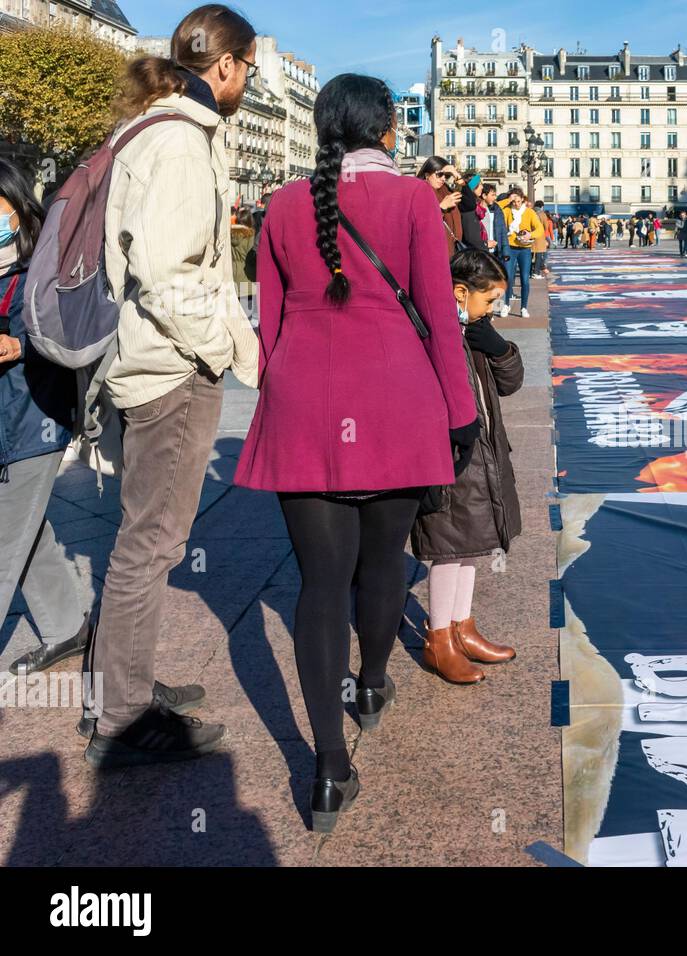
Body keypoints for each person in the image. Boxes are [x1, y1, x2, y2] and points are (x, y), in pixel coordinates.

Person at [234, 73, 479, 831]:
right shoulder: (412, 202)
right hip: (397, 401)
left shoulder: (280, 204)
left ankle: (328, 768)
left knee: (317, 587)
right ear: (387, 130)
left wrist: (284, 394)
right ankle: (371, 683)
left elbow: (268, 321)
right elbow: (439, 316)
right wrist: (459, 410)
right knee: (381, 566)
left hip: (306, 401)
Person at [85, 4, 261, 768]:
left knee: (140, 540)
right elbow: (168, 272)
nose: (249, 81)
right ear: (224, 65)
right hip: (166, 368)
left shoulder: (146, 130)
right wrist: (217, 348)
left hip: (141, 361)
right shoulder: (183, 143)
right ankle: (120, 721)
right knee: (150, 543)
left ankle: (120, 688)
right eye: (248, 67)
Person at [0, 159, 92, 677]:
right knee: (27, 533)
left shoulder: (43, 270)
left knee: (4, 541)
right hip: (4, 426)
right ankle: (65, 628)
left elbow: (64, 337)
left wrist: (18, 344)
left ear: (19, 209)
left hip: (33, 423)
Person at [412, 249, 522, 683]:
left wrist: (499, 348)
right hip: (449, 455)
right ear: (460, 292)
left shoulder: (473, 328)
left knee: (473, 540)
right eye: (489, 300)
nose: (491, 309)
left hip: (484, 448)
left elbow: (510, 384)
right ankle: (439, 637)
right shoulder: (434, 327)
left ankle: (463, 626)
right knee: (447, 546)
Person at [500, 189, 541, 319]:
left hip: (525, 249)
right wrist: (508, 200)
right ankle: (505, 305)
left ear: (523, 199)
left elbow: (540, 229)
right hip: (509, 248)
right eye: (514, 201)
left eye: (519, 201)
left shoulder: (529, 212)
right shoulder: (506, 211)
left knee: (524, 279)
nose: (516, 204)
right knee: (508, 277)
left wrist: (530, 234)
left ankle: (524, 307)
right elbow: (495, 206)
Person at [418, 157, 462, 260]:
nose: (443, 178)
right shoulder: (420, 191)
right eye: (439, 175)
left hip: (453, 251)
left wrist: (456, 174)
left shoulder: (445, 189)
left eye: (446, 176)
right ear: (427, 175)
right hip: (434, 254)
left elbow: (469, 204)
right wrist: (441, 208)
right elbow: (421, 224)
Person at [531, 200, 551, 277]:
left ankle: (530, 272)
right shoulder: (542, 214)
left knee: (530, 255)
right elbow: (546, 226)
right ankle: (536, 272)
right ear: (542, 206)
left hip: (530, 236)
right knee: (539, 255)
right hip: (539, 237)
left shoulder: (531, 212)